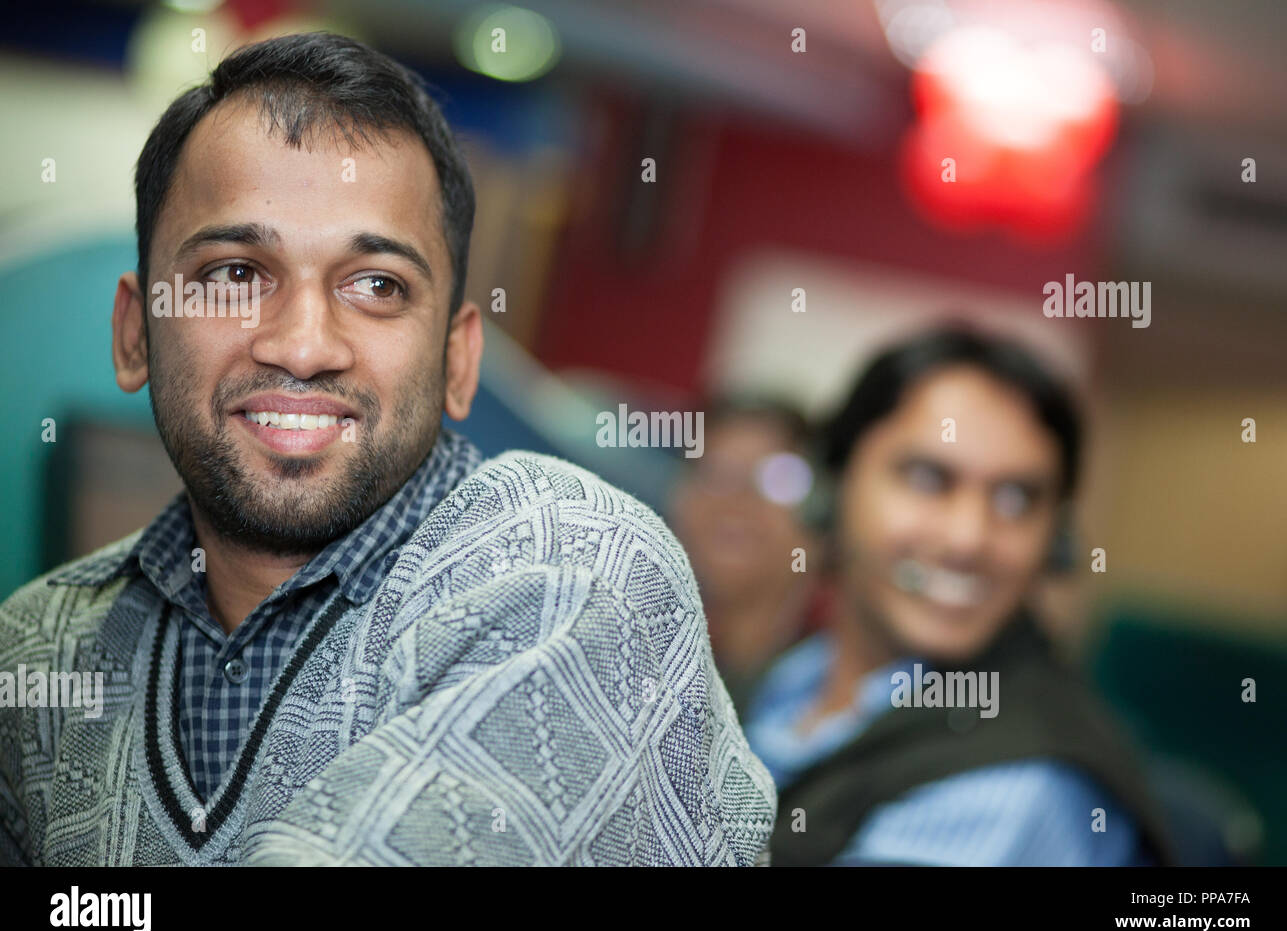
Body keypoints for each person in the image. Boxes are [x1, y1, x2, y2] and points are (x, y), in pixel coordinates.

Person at [0, 32, 775, 866]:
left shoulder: (574, 566)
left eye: (376, 286)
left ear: (458, 359)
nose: (302, 346)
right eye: (233, 272)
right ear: (133, 334)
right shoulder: (40, 646)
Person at [745, 326, 1176, 865]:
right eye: (928, 478)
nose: (968, 539)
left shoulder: (1012, 786)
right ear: (833, 488)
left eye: (1017, 498)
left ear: (1056, 541)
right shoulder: (787, 680)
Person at [670, 397, 826, 717]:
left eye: (777, 482)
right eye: (716, 474)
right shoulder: (648, 645)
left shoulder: (834, 677)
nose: (737, 502)